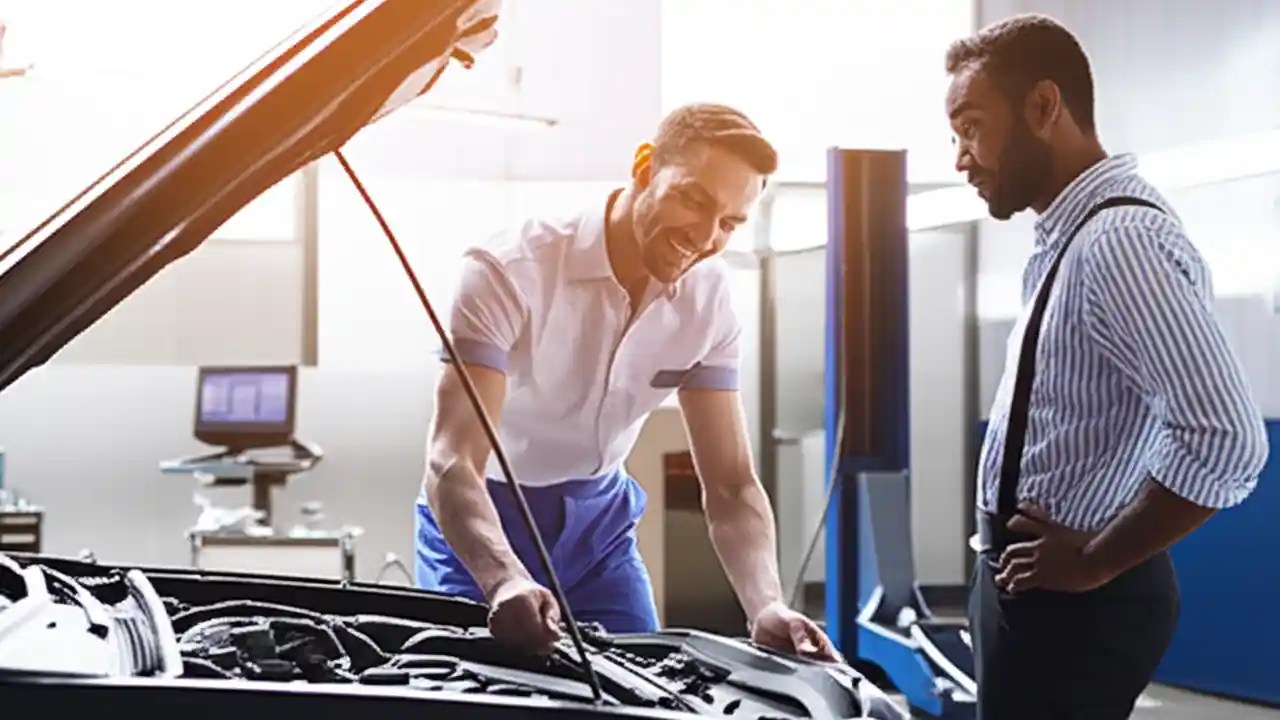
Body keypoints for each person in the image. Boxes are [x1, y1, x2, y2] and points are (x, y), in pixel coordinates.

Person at [415, 102, 839, 661]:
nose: (706, 237)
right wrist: (503, 579)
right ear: (644, 167)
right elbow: (452, 462)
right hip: (481, 520)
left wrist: (766, 605)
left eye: (730, 223)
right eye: (694, 199)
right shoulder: (508, 270)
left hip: (600, 534)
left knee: (640, 692)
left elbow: (732, 485)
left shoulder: (709, 301)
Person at [943, 14, 1269, 719]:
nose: (961, 158)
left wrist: (1095, 561)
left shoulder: (1119, 240)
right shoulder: (1068, 235)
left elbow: (1228, 438)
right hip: (1033, 581)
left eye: (970, 126)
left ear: (1042, 106)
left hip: (1076, 602)